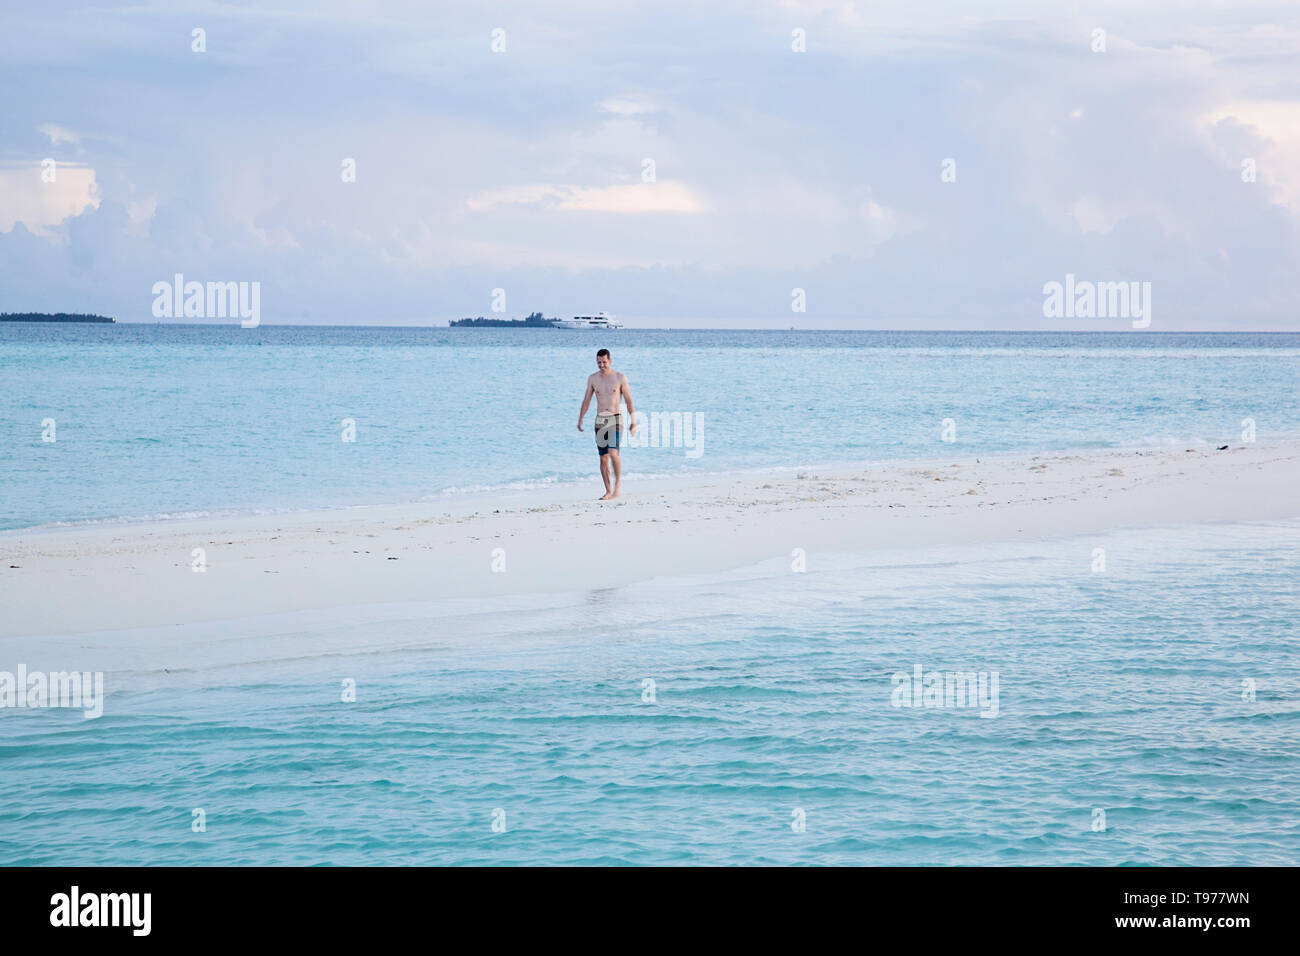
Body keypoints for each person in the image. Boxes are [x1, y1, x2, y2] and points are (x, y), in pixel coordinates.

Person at [577, 348, 637, 499]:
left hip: (616, 419)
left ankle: (617, 485)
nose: (602, 365)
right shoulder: (592, 379)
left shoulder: (620, 377)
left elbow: (629, 400)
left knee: (613, 453)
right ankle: (608, 491)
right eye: (599, 362)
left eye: (604, 362)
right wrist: (580, 418)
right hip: (600, 421)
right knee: (603, 457)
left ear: (610, 361)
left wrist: (633, 420)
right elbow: (587, 400)